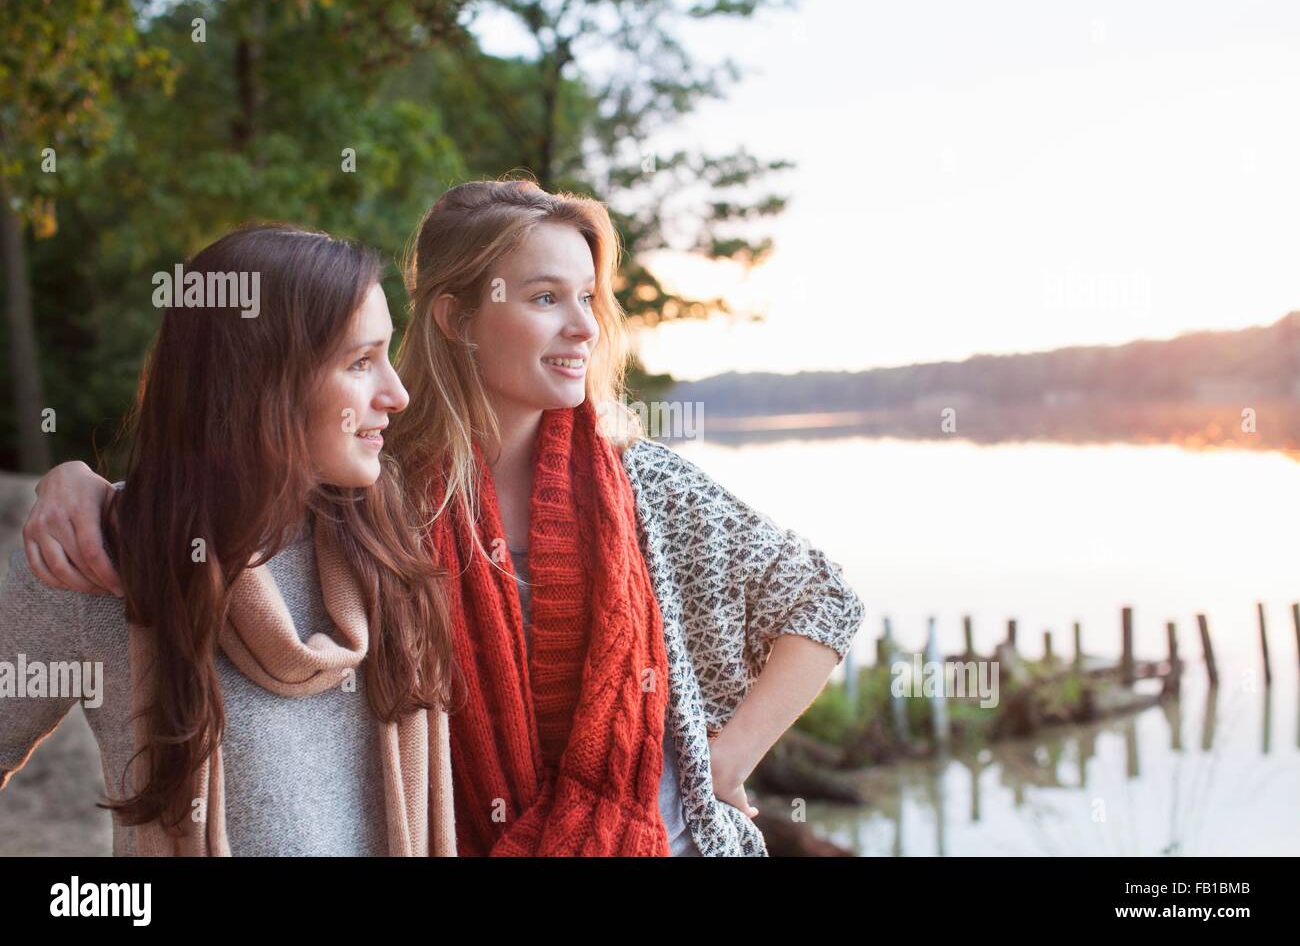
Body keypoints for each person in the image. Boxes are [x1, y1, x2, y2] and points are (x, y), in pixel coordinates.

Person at [22, 179, 866, 856]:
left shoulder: (640, 486)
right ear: (457, 318)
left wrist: (726, 757)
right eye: (545, 297)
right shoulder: (372, 493)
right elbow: (236, 477)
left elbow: (822, 599)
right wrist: (92, 490)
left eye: (587, 298)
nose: (583, 326)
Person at [2, 224, 457, 856]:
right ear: (260, 382)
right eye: (360, 362)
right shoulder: (99, 563)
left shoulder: (400, 541)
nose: (397, 394)